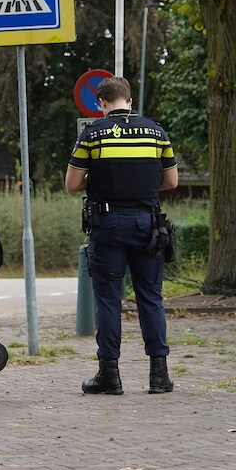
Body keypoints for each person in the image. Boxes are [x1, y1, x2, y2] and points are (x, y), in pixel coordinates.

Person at [66, 76, 178, 395]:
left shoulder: (92, 134)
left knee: (108, 300)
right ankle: (159, 376)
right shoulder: (156, 132)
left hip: (109, 224)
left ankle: (110, 376)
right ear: (129, 100)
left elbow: (72, 184)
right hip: (148, 225)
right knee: (150, 298)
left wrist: (101, 181)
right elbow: (171, 181)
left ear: (101, 103)